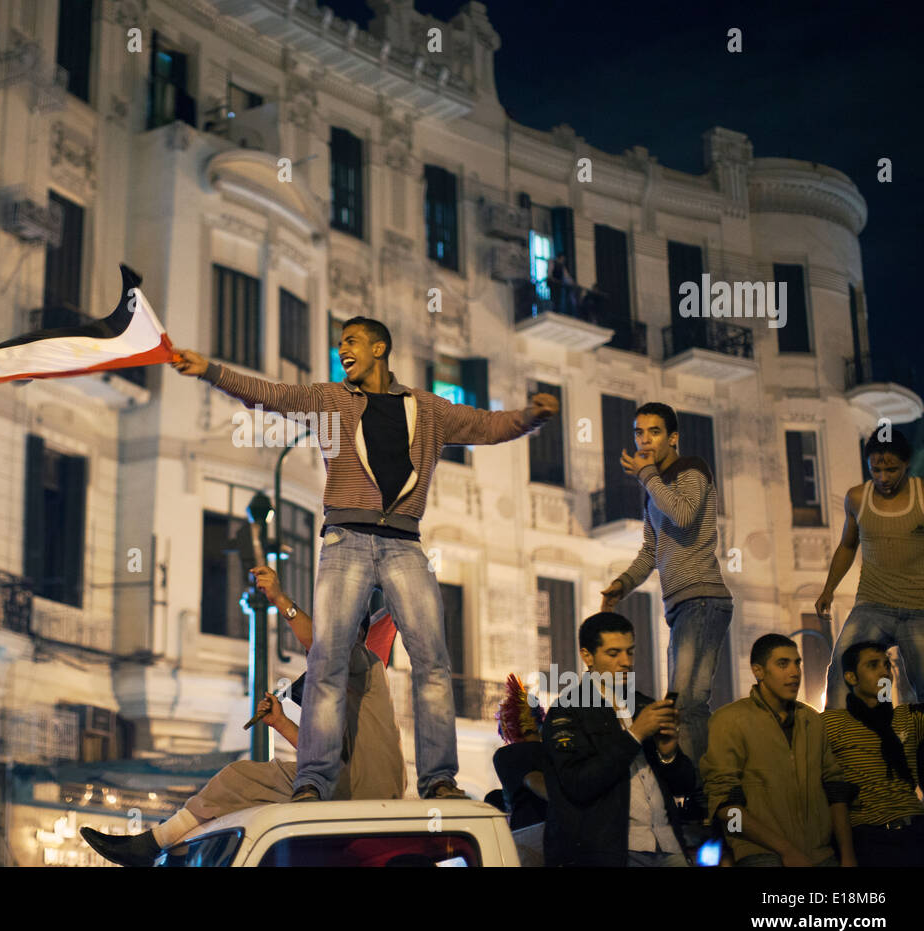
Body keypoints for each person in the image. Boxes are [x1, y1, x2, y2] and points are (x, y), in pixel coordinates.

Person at [171, 320, 557, 801]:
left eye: (350, 342)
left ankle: (438, 780)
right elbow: (270, 395)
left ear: (380, 348)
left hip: (404, 542)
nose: (341, 350)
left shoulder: (428, 410)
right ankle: (313, 781)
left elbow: (487, 425)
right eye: (339, 344)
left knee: (433, 660)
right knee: (328, 660)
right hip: (346, 539)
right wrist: (210, 371)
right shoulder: (331, 401)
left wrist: (532, 417)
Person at [79, 566, 404, 866]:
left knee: (240, 779)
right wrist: (281, 722)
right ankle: (173, 849)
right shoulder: (339, 684)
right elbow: (319, 757)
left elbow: (325, 648)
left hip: (362, 791)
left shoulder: (362, 662)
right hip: (346, 787)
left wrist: (280, 599)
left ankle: (156, 845)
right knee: (245, 793)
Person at [599, 402, 732, 765]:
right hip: (682, 605)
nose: (644, 440)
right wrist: (623, 584)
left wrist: (647, 477)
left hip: (703, 597)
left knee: (684, 702)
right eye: (638, 432)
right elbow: (651, 550)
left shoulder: (690, 470)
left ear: (672, 438)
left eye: (654, 432)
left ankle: (698, 790)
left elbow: (685, 515)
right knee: (684, 701)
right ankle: (698, 786)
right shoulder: (654, 490)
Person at [541, 612, 698, 867]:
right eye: (613, 654)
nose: (626, 662)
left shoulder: (644, 705)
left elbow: (684, 786)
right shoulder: (567, 711)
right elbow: (578, 784)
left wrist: (669, 754)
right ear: (587, 656)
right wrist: (635, 735)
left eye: (630, 652)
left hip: (667, 845)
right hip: (609, 853)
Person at [701, 634, 858, 867]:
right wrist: (784, 850)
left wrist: (847, 856)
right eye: (783, 664)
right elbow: (724, 806)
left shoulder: (812, 721)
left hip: (820, 853)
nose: (794, 672)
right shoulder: (729, 721)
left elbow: (835, 789)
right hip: (760, 853)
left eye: (798, 663)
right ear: (759, 671)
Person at [818, 427, 924, 710]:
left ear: (906, 464)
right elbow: (847, 546)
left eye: (892, 470)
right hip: (872, 605)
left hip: (918, 607)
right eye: (876, 470)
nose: (883, 478)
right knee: (840, 671)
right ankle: (835, 736)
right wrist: (828, 589)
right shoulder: (857, 499)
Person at [822, 641, 924, 865]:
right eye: (873, 665)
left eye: (887, 665)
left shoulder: (908, 718)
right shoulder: (832, 723)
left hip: (918, 830)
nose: (884, 672)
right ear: (852, 678)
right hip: (872, 837)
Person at [487, 674, 547, 829]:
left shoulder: (508, 755)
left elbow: (534, 780)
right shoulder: (551, 750)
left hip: (529, 829)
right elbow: (533, 780)